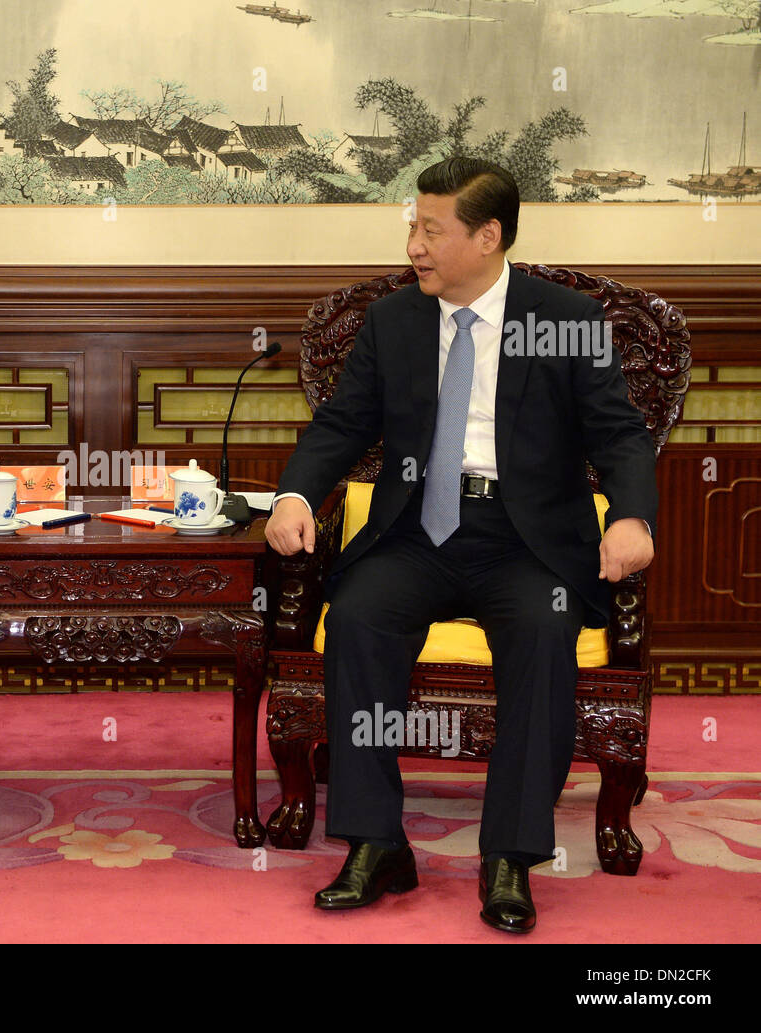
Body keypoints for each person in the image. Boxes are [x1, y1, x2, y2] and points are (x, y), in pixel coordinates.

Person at [265, 157, 656, 933]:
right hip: (416, 533)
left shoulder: (564, 318)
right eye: (412, 225)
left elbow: (620, 434)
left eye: (430, 229)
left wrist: (633, 517)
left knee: (545, 633)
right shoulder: (396, 319)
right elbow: (343, 424)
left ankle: (508, 856)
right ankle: (376, 843)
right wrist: (294, 494)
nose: (414, 243)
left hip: (527, 541)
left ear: (488, 236)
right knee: (355, 619)